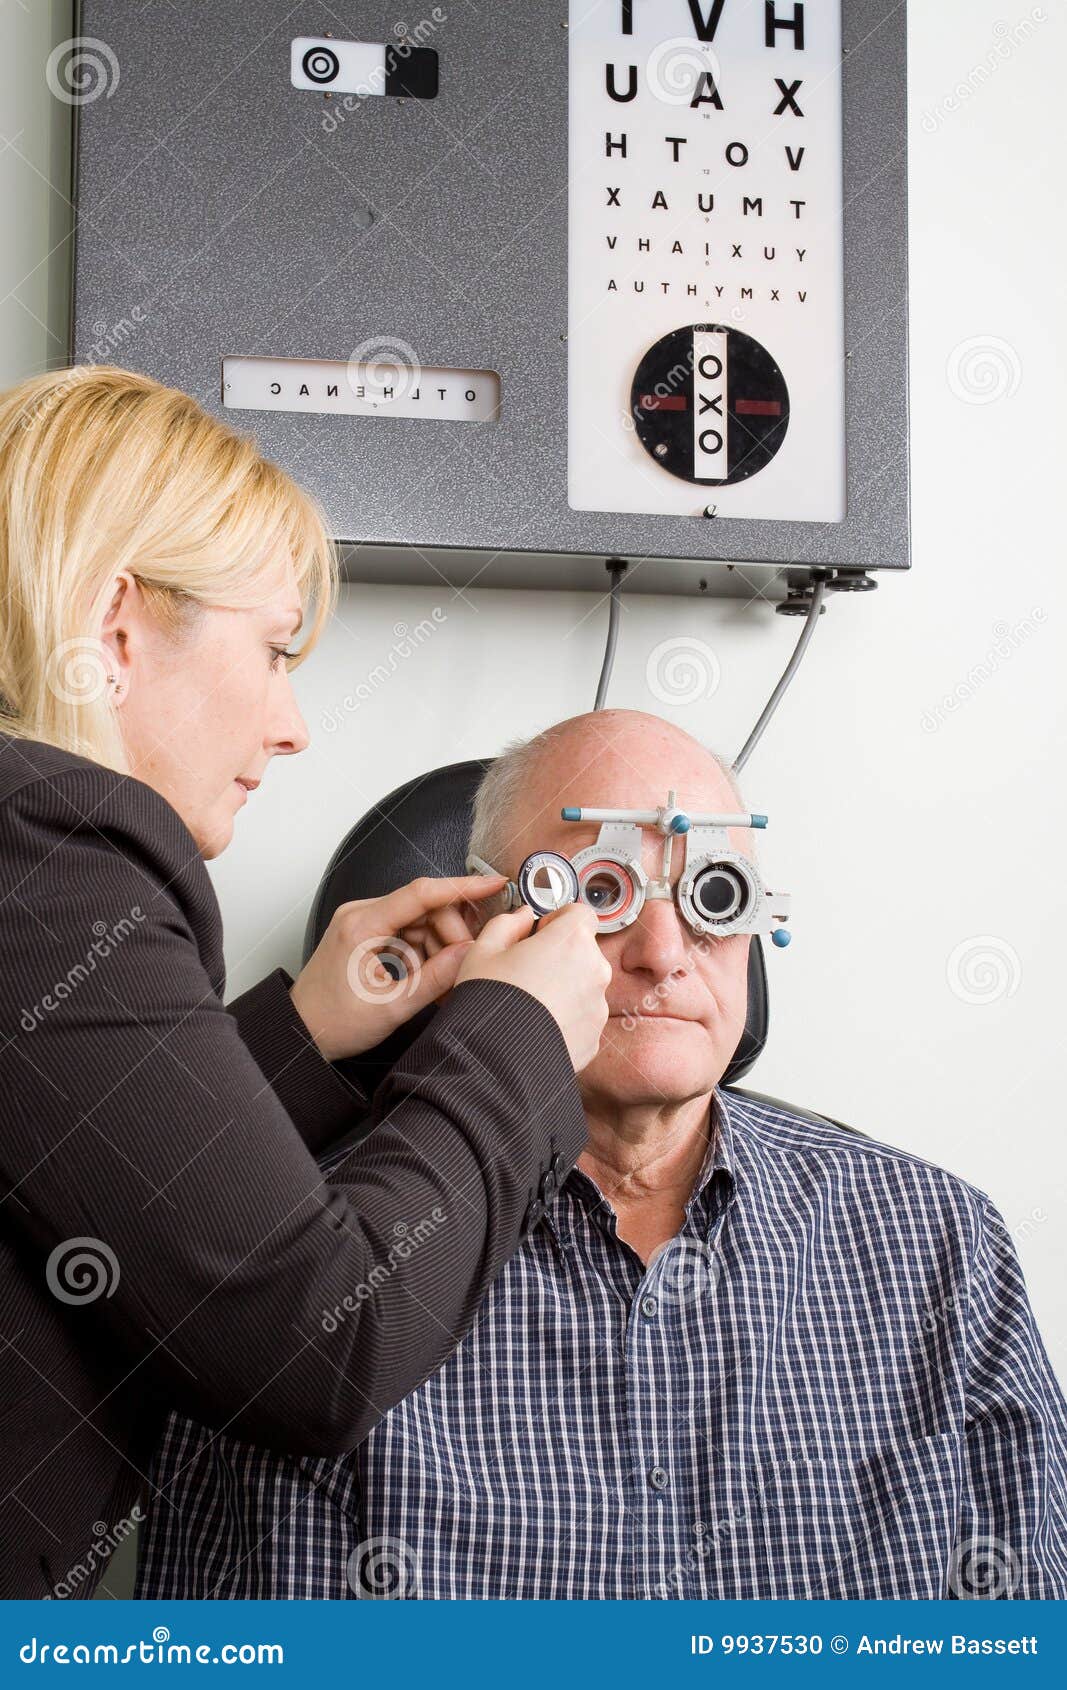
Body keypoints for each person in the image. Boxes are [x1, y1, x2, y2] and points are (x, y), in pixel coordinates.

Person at [139, 710, 1067, 1601]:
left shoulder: (937, 1243)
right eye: (600, 893)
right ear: (488, 919)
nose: (663, 953)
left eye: (713, 893)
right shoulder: (306, 1258)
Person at [0, 366, 611, 1600]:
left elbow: (90, 1168)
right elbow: (320, 1341)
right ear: (114, 624)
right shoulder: (53, 856)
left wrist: (303, 1032)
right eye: (276, 650)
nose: (293, 725)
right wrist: (515, 1038)